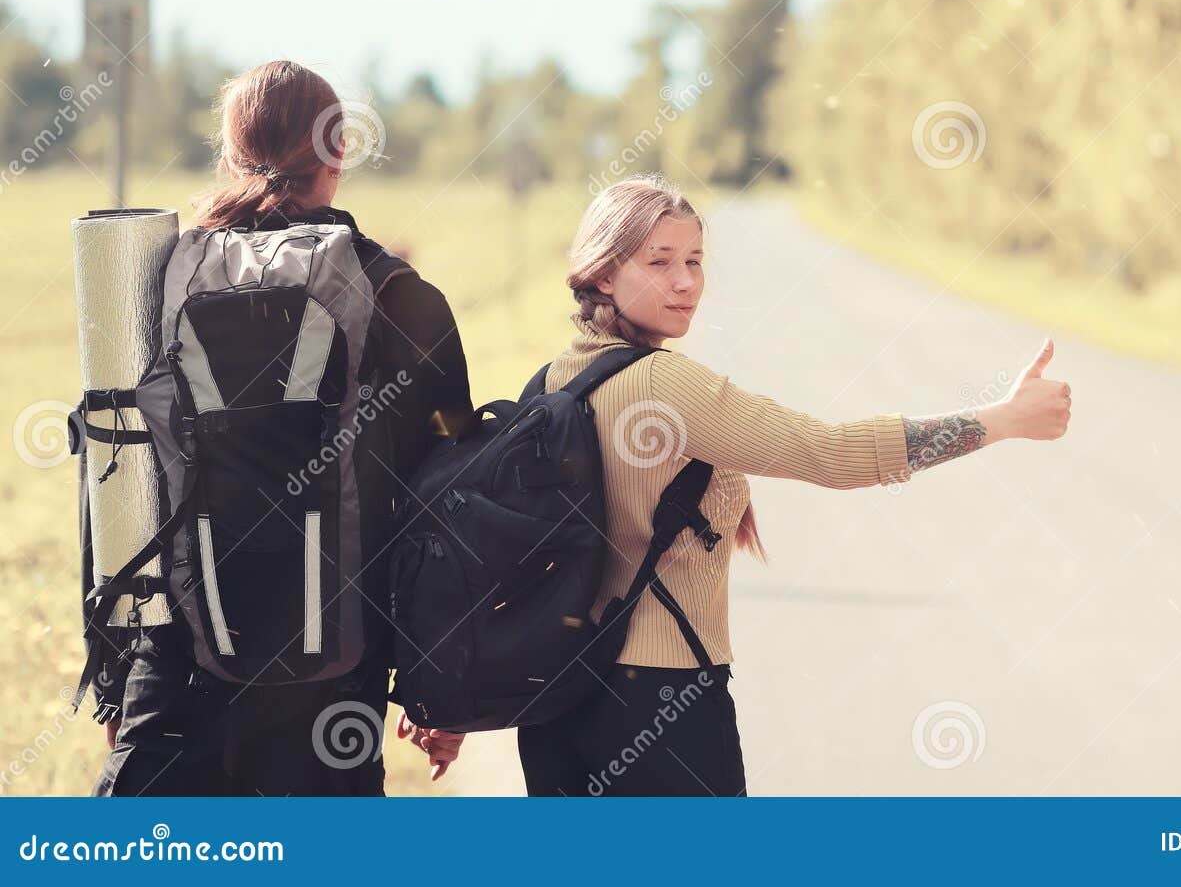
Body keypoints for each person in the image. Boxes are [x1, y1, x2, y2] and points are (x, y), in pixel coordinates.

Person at [514, 172, 1072, 796]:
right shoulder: (665, 387)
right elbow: (829, 454)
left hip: (555, 702)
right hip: (661, 706)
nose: (686, 282)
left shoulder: (547, 386)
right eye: (660, 261)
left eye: (695, 260)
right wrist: (1001, 420)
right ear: (602, 274)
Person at [92, 60, 471, 795]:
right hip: (337, 673)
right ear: (337, 159)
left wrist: (118, 671)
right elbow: (448, 493)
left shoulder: (162, 275)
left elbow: (115, 457)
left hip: (178, 662)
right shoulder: (397, 293)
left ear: (230, 156)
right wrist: (439, 689)